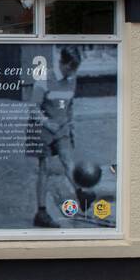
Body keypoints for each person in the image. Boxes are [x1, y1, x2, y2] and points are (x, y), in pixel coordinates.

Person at [28, 46, 81, 228]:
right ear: (61, 63)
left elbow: (70, 104)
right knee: (45, 168)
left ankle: (82, 195)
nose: (71, 72)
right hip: (42, 128)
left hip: (61, 128)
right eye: (69, 68)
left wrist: (71, 121)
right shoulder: (44, 79)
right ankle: (41, 213)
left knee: (68, 162)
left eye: (75, 69)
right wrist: (46, 122)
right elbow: (33, 108)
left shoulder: (72, 78)